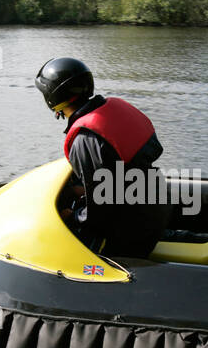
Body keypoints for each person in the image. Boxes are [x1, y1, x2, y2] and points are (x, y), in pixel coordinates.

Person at [34, 57, 169, 258]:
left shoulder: (85, 139)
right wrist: (82, 190)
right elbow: (122, 175)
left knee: (60, 248)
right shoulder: (112, 110)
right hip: (155, 207)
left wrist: (73, 218)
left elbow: (100, 214)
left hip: (132, 233)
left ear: (52, 97)